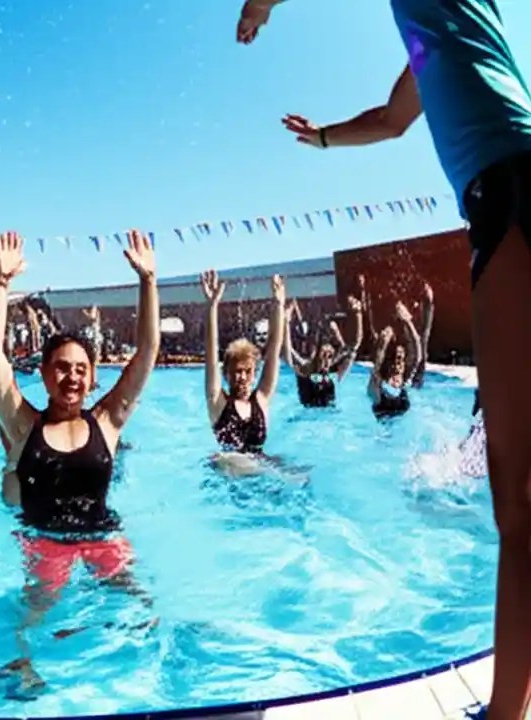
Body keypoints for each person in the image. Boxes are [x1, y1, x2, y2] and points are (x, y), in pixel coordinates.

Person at [237, 3, 531, 715]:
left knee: (516, 500)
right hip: (505, 195)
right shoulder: (433, 42)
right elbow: (395, 119)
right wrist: (326, 139)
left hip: (515, 190)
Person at [0, 229, 159, 695]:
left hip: (103, 535)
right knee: (35, 609)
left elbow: (147, 354)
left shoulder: (109, 421)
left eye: (81, 369)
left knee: (145, 608)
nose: (72, 376)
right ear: (43, 374)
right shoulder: (24, 426)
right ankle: (20, 668)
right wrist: (1, 283)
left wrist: (148, 281)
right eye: (61, 367)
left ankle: (140, 680)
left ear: (93, 376)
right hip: (46, 540)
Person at [201, 270, 285, 456]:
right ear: (226, 375)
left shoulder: (261, 400)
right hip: (232, 473)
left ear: (254, 373)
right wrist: (212, 306)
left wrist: (278, 304)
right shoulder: (218, 403)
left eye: (248, 371)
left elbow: (274, 350)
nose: (243, 377)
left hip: (260, 470)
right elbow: (211, 353)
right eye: (237, 371)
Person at [282, 296, 364, 407]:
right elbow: (288, 351)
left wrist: (358, 313)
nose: (326, 360)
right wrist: (286, 322)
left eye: (330, 356)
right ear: (316, 356)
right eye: (323, 356)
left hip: (329, 418)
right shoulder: (306, 370)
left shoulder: (335, 375)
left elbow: (355, 345)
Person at [368, 302, 423, 420]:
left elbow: (417, 356)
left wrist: (407, 321)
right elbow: (377, 362)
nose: (397, 364)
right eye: (393, 359)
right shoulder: (377, 386)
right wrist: (383, 343)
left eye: (400, 359)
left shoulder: (405, 381)